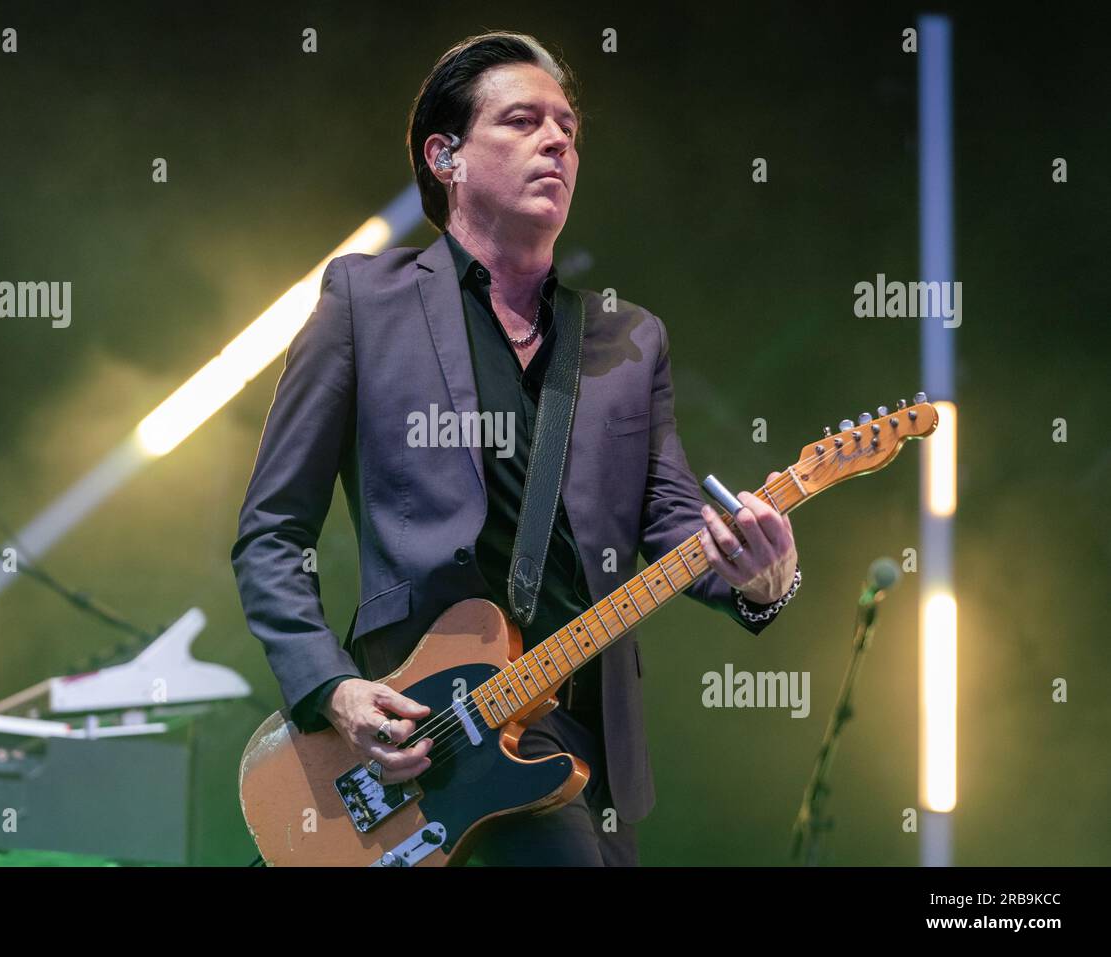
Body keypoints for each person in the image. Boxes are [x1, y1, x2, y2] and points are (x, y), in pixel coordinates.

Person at [231, 31, 800, 866]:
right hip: (410, 733)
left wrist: (763, 579)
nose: (559, 141)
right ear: (446, 156)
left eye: (569, 127)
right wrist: (332, 688)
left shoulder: (628, 340)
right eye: (524, 120)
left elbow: (681, 521)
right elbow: (272, 532)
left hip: (572, 746)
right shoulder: (365, 303)